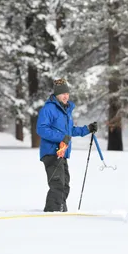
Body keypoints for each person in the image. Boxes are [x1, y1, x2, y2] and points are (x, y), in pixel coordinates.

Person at [36, 78, 98, 212]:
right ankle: (52, 212)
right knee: (57, 184)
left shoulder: (65, 111)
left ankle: (61, 211)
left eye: (67, 93)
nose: (66, 96)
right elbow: (41, 129)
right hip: (51, 152)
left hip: (62, 152)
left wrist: (87, 129)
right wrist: (61, 137)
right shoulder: (49, 109)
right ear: (56, 94)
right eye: (63, 93)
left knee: (65, 185)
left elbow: (70, 131)